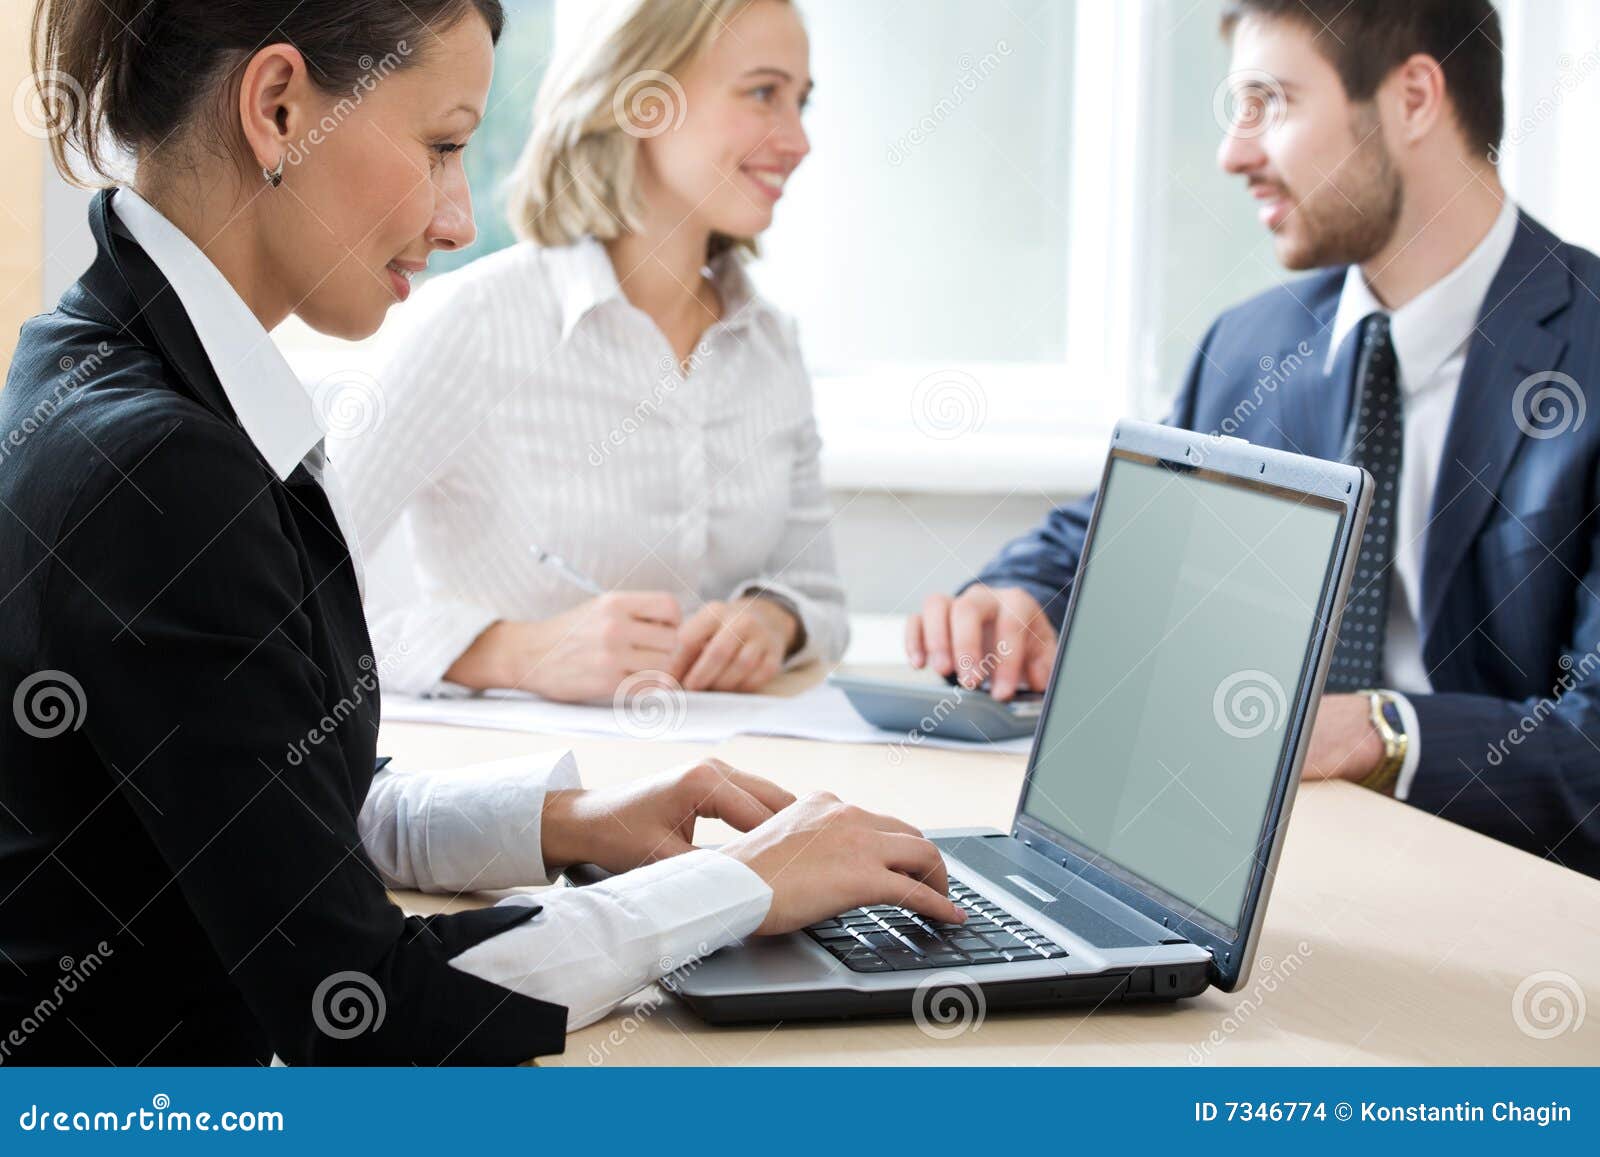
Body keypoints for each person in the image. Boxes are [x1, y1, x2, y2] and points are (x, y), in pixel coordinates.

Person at [0, 0, 961, 1066]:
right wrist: (740, 881)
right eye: (441, 145)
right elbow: (364, 1005)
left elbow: (278, 812)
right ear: (278, 110)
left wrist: (566, 819)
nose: (460, 219)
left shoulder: (97, 358)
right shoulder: (159, 468)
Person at [907, 0, 1600, 879]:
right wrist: (1016, 596)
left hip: (1505, 886)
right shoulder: (1252, 345)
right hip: (1249, 866)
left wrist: (1382, 731)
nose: (1232, 154)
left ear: (1414, 98)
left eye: (1270, 103)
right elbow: (1111, 536)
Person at [334, 0, 846, 702]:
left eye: (801, 101)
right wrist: (513, 653)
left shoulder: (771, 343)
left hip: (731, 758)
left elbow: (819, 595)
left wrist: (774, 619)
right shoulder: (472, 323)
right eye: (763, 93)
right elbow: (295, 598)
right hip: (530, 766)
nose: (798, 140)